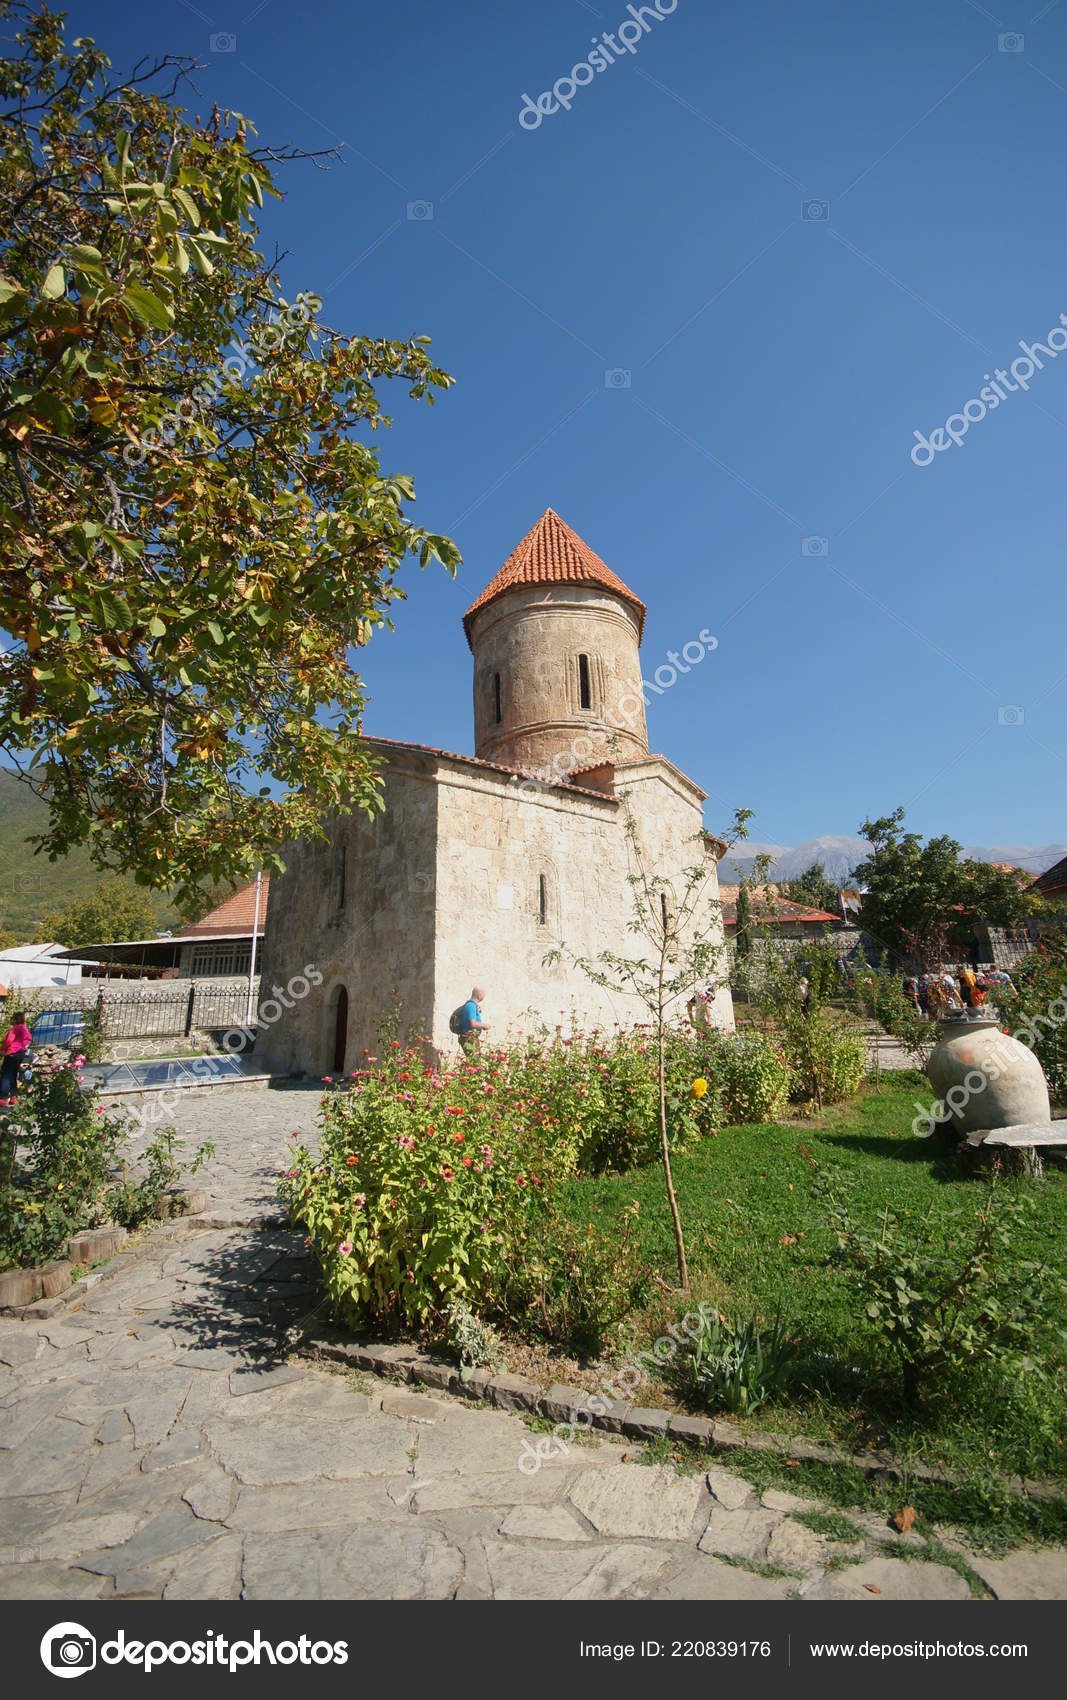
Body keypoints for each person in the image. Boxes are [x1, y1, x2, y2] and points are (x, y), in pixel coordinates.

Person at [0, 1010, 32, 1105]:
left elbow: (8, 1041)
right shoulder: (24, 1028)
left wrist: (3, 1050)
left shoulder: (15, 1029)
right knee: (13, 1074)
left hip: (11, 1053)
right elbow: (28, 1038)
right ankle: (14, 1097)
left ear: (15, 1020)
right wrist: (20, 1045)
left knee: (6, 1075)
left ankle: (3, 1097)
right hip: (20, 1053)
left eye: (12, 1018)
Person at [456, 986, 489, 1056]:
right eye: (484, 994)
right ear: (479, 995)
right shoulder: (471, 1006)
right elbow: (473, 1024)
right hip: (469, 1038)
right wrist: (484, 1025)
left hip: (471, 1037)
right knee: (475, 1062)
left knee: (474, 1061)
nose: (484, 996)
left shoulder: (471, 1005)